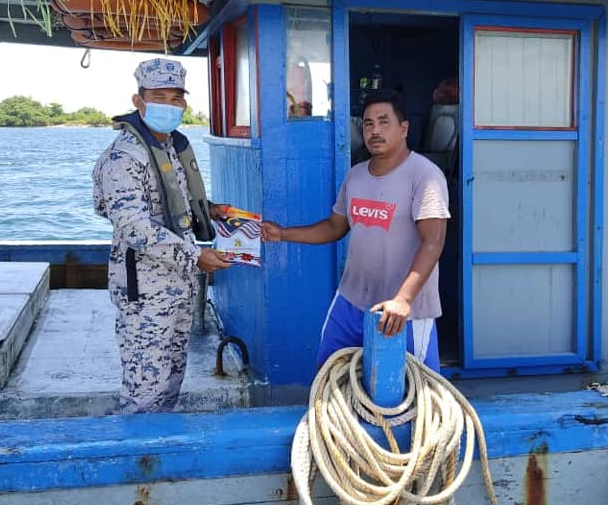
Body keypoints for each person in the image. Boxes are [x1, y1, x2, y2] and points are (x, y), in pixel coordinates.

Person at [262, 89, 449, 371]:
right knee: (330, 376)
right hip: (351, 301)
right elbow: (334, 227)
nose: (375, 130)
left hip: (403, 311)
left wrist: (403, 299)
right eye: (368, 123)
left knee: (416, 394)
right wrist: (283, 234)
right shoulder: (356, 175)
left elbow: (433, 242)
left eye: (384, 122)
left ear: (404, 128)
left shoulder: (425, 176)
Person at [93, 57, 232, 413]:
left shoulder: (169, 146)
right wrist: (195, 256)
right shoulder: (123, 157)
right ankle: (136, 459)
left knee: (171, 380)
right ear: (138, 101)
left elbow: (172, 199)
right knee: (145, 390)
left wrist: (210, 209)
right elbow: (133, 226)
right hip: (145, 293)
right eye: (158, 96)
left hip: (179, 285)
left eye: (175, 98)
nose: (168, 106)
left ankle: (157, 454)